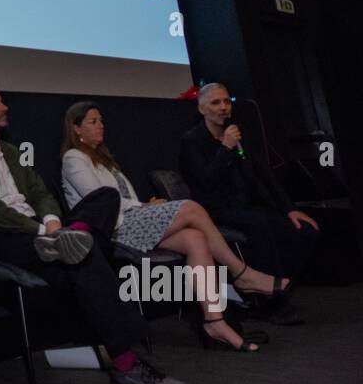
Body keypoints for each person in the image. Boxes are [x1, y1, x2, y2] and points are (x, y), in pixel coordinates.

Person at [0, 82, 190, 384]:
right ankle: (126, 367)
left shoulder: (13, 153)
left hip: (41, 232)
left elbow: (41, 192)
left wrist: (52, 221)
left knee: (105, 197)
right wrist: (40, 230)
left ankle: (73, 236)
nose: (4, 106)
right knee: (86, 258)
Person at [61, 101, 289, 351]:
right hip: (114, 231)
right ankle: (241, 273)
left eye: (101, 121)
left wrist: (144, 205)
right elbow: (100, 200)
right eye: (93, 122)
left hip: (131, 222)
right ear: (76, 128)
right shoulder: (74, 158)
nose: (101, 126)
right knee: (190, 207)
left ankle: (215, 321)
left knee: (195, 238)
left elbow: (123, 198)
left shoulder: (104, 159)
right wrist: (143, 207)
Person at [178, 82, 318, 325]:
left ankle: (273, 288)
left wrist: (289, 209)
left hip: (248, 206)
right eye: (215, 102)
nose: (223, 107)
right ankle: (272, 304)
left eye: (226, 101)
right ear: (202, 109)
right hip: (216, 210)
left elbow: (265, 174)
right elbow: (205, 182)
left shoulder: (238, 134)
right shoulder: (192, 141)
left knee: (304, 231)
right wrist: (225, 148)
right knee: (260, 226)